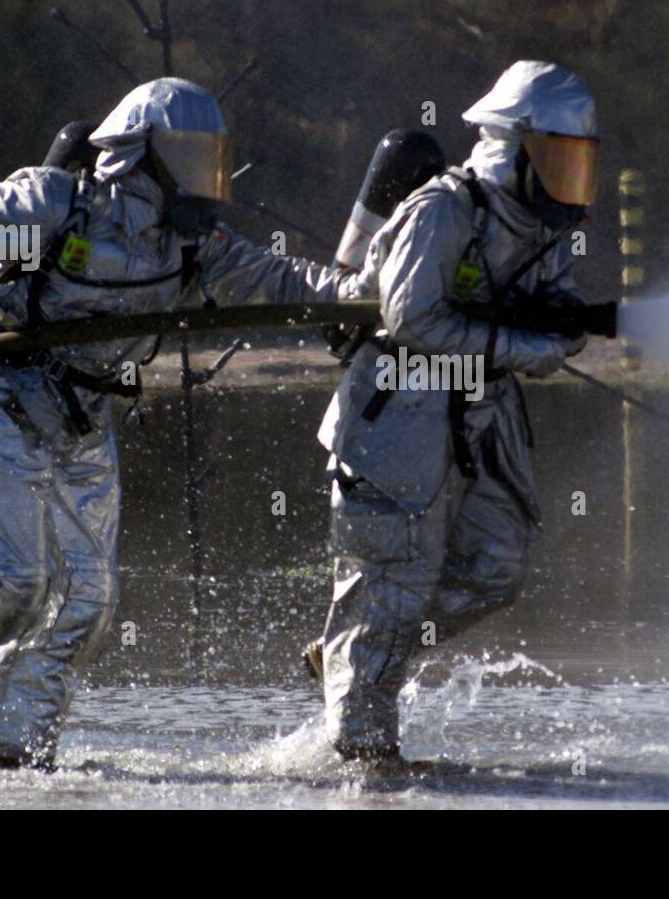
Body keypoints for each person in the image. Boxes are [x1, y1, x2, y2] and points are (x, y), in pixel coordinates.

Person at [0, 77, 282, 772]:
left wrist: (365, 295)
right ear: (140, 153)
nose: (201, 175)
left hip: (84, 422)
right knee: (12, 578)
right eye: (188, 156)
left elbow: (279, 279)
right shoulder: (55, 205)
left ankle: (14, 752)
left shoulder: (192, 246)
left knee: (85, 599)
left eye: (208, 157)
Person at [199, 60, 599, 765]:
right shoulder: (442, 210)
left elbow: (549, 302)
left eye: (578, 162)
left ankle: (348, 651)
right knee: (391, 591)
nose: (568, 178)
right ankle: (365, 767)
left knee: (495, 567)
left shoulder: (543, 228)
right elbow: (413, 321)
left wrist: (559, 328)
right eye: (557, 159)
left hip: (479, 422)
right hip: (397, 423)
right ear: (515, 146)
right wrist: (521, 346)